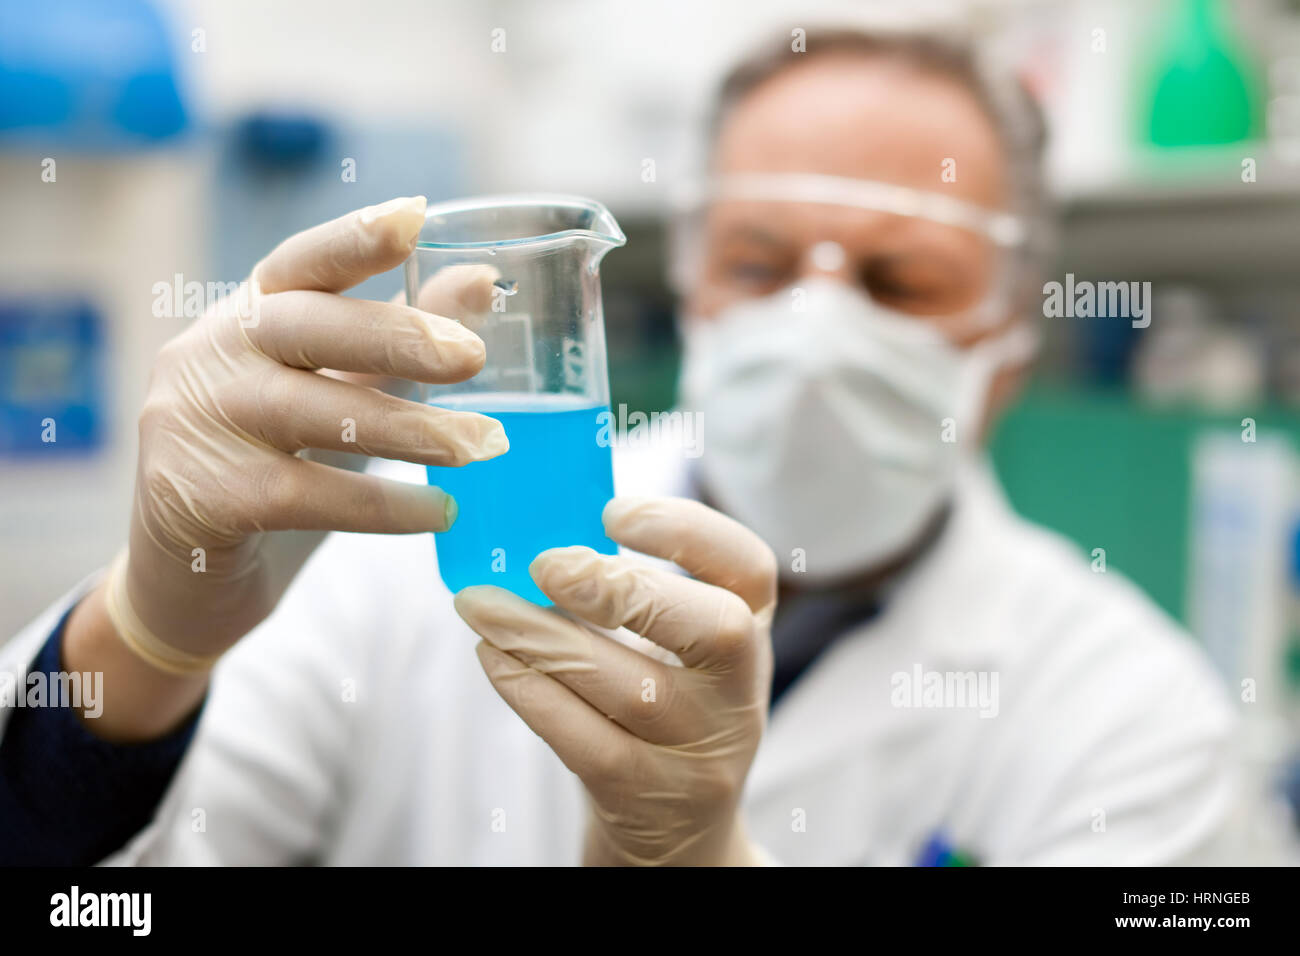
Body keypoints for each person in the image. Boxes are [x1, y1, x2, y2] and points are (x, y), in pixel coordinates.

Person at [0, 26, 1262, 866]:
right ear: (696, 288)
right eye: (761, 264)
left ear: (1012, 342)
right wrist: (146, 640)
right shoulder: (410, 547)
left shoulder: (1134, 719)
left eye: (897, 277)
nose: (814, 325)